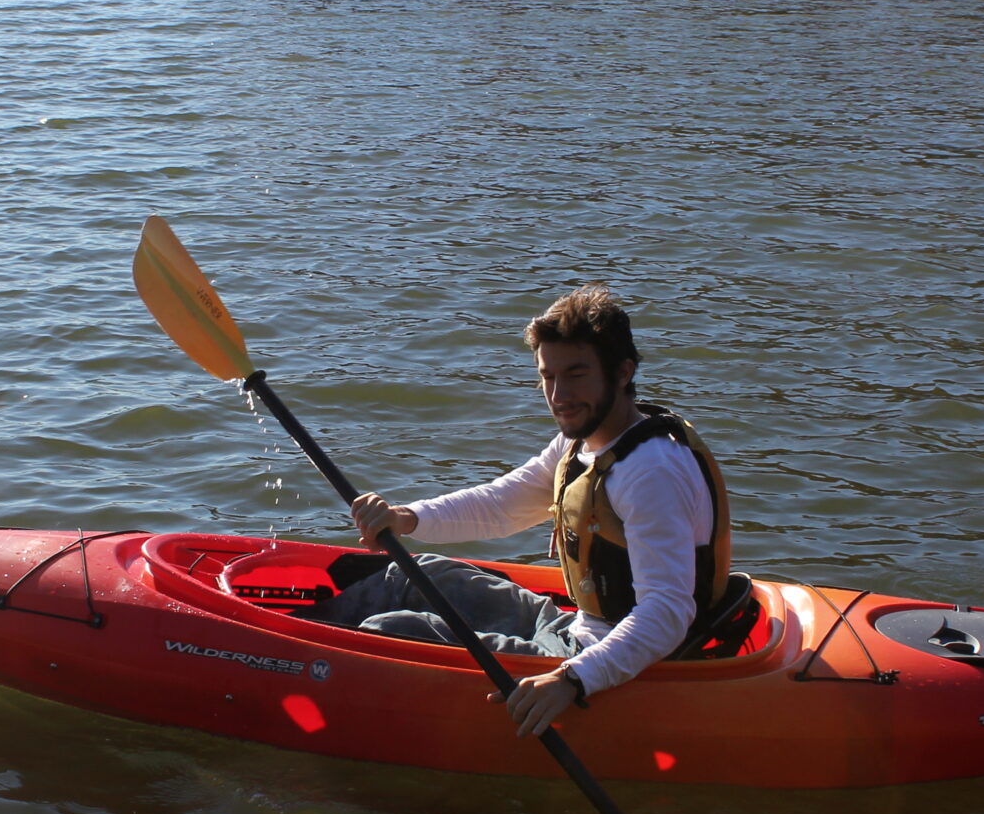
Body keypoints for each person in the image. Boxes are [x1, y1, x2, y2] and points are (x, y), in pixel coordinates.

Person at [310, 284, 734, 739]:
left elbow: (668, 610)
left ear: (623, 372)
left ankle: (292, 670)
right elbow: (502, 504)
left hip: (599, 660)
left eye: (576, 375)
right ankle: (293, 640)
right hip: (575, 629)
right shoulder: (586, 439)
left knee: (394, 630)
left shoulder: (649, 473)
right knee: (412, 574)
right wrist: (406, 518)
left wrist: (572, 680)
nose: (559, 395)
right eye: (548, 376)